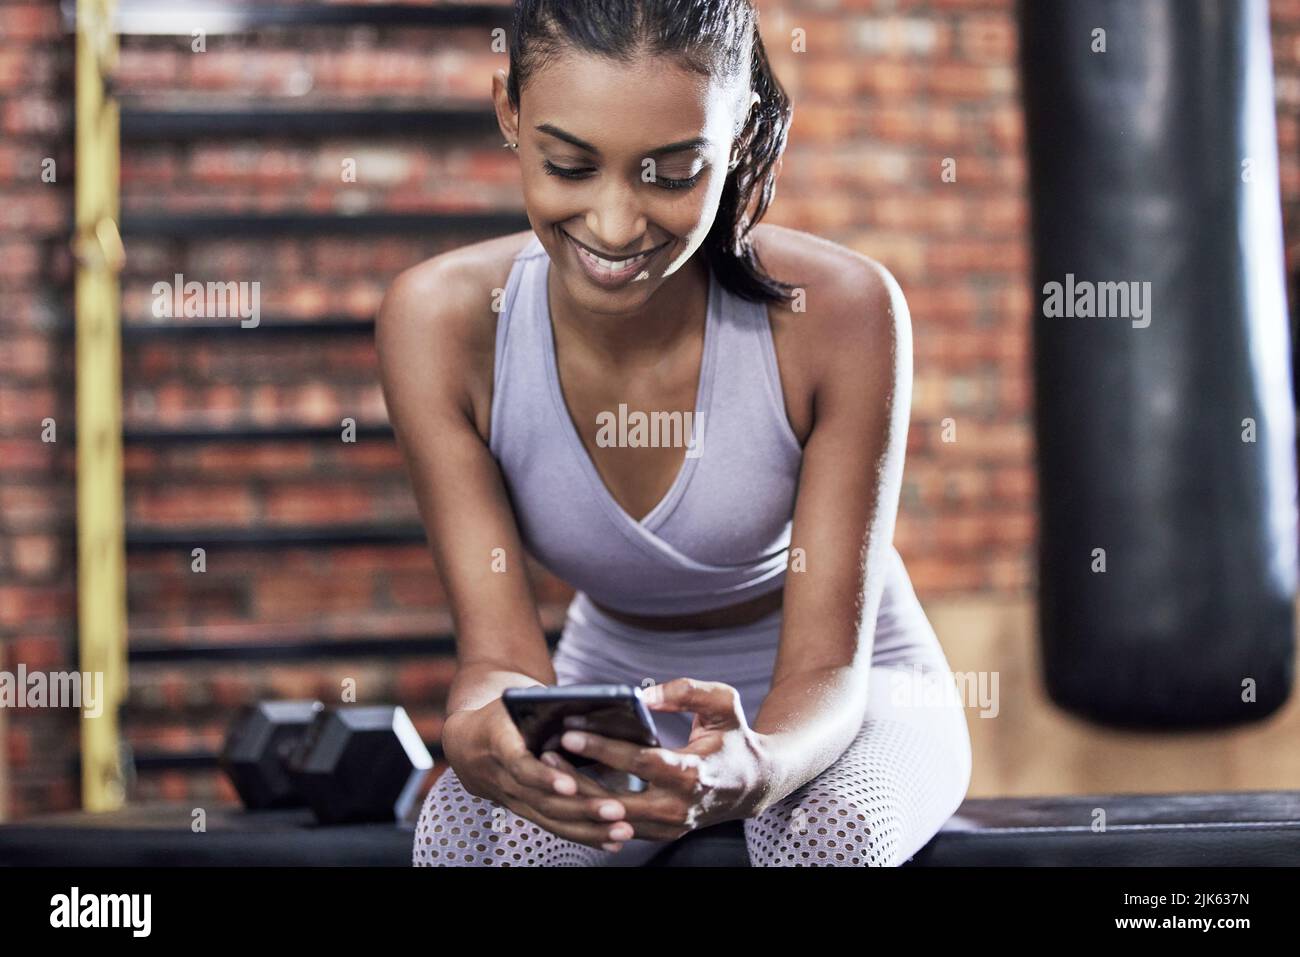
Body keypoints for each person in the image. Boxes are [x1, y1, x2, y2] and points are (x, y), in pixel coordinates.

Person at [378, 0, 971, 866]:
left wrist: (759, 764)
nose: (615, 225)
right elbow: (500, 655)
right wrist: (479, 732)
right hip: (616, 693)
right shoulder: (437, 322)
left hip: (855, 688)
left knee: (827, 834)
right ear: (510, 112)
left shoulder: (844, 311)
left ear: (737, 138)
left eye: (670, 173)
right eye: (569, 166)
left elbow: (826, 669)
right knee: (466, 829)